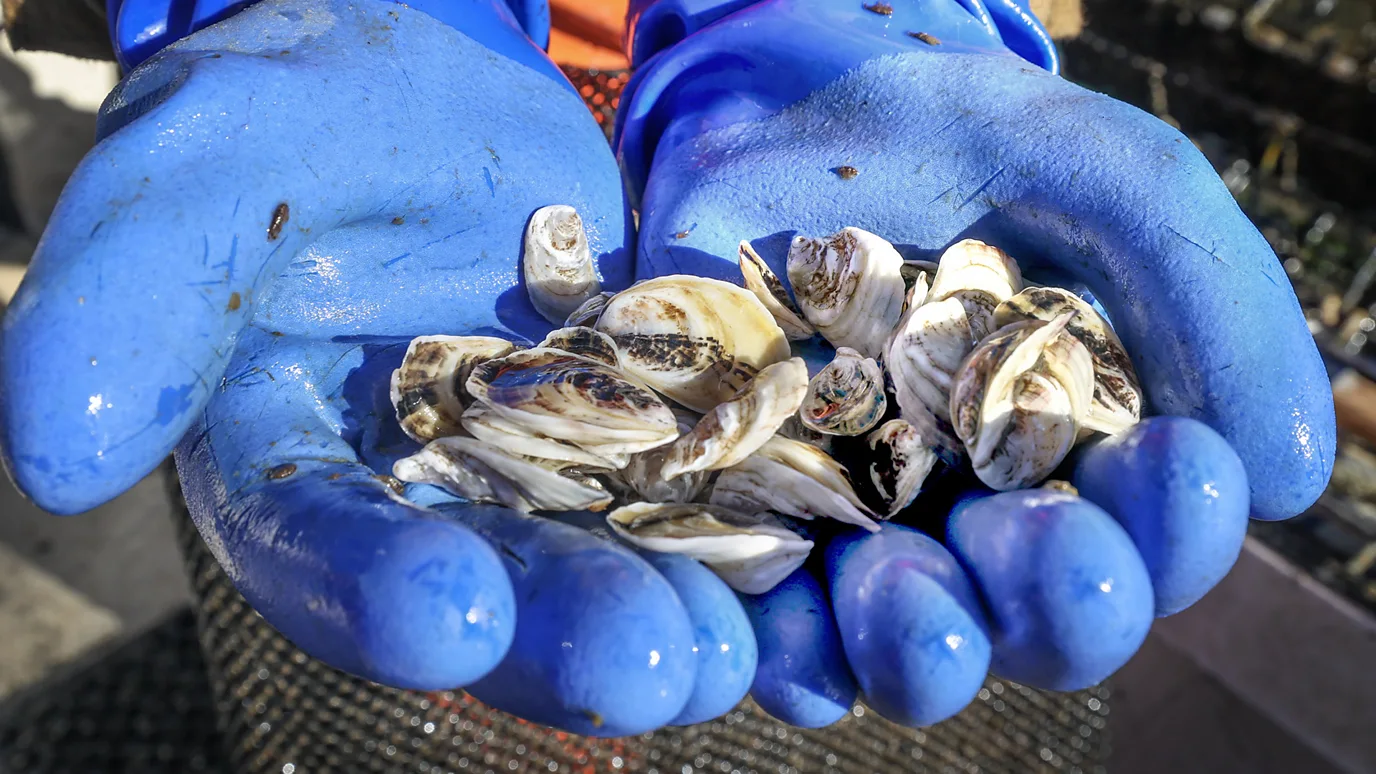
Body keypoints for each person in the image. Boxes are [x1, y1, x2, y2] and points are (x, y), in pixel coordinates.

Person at [0, 0, 1334, 737]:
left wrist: (860, 23)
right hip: (412, 167)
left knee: (810, 664)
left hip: (758, 112)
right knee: (421, 636)